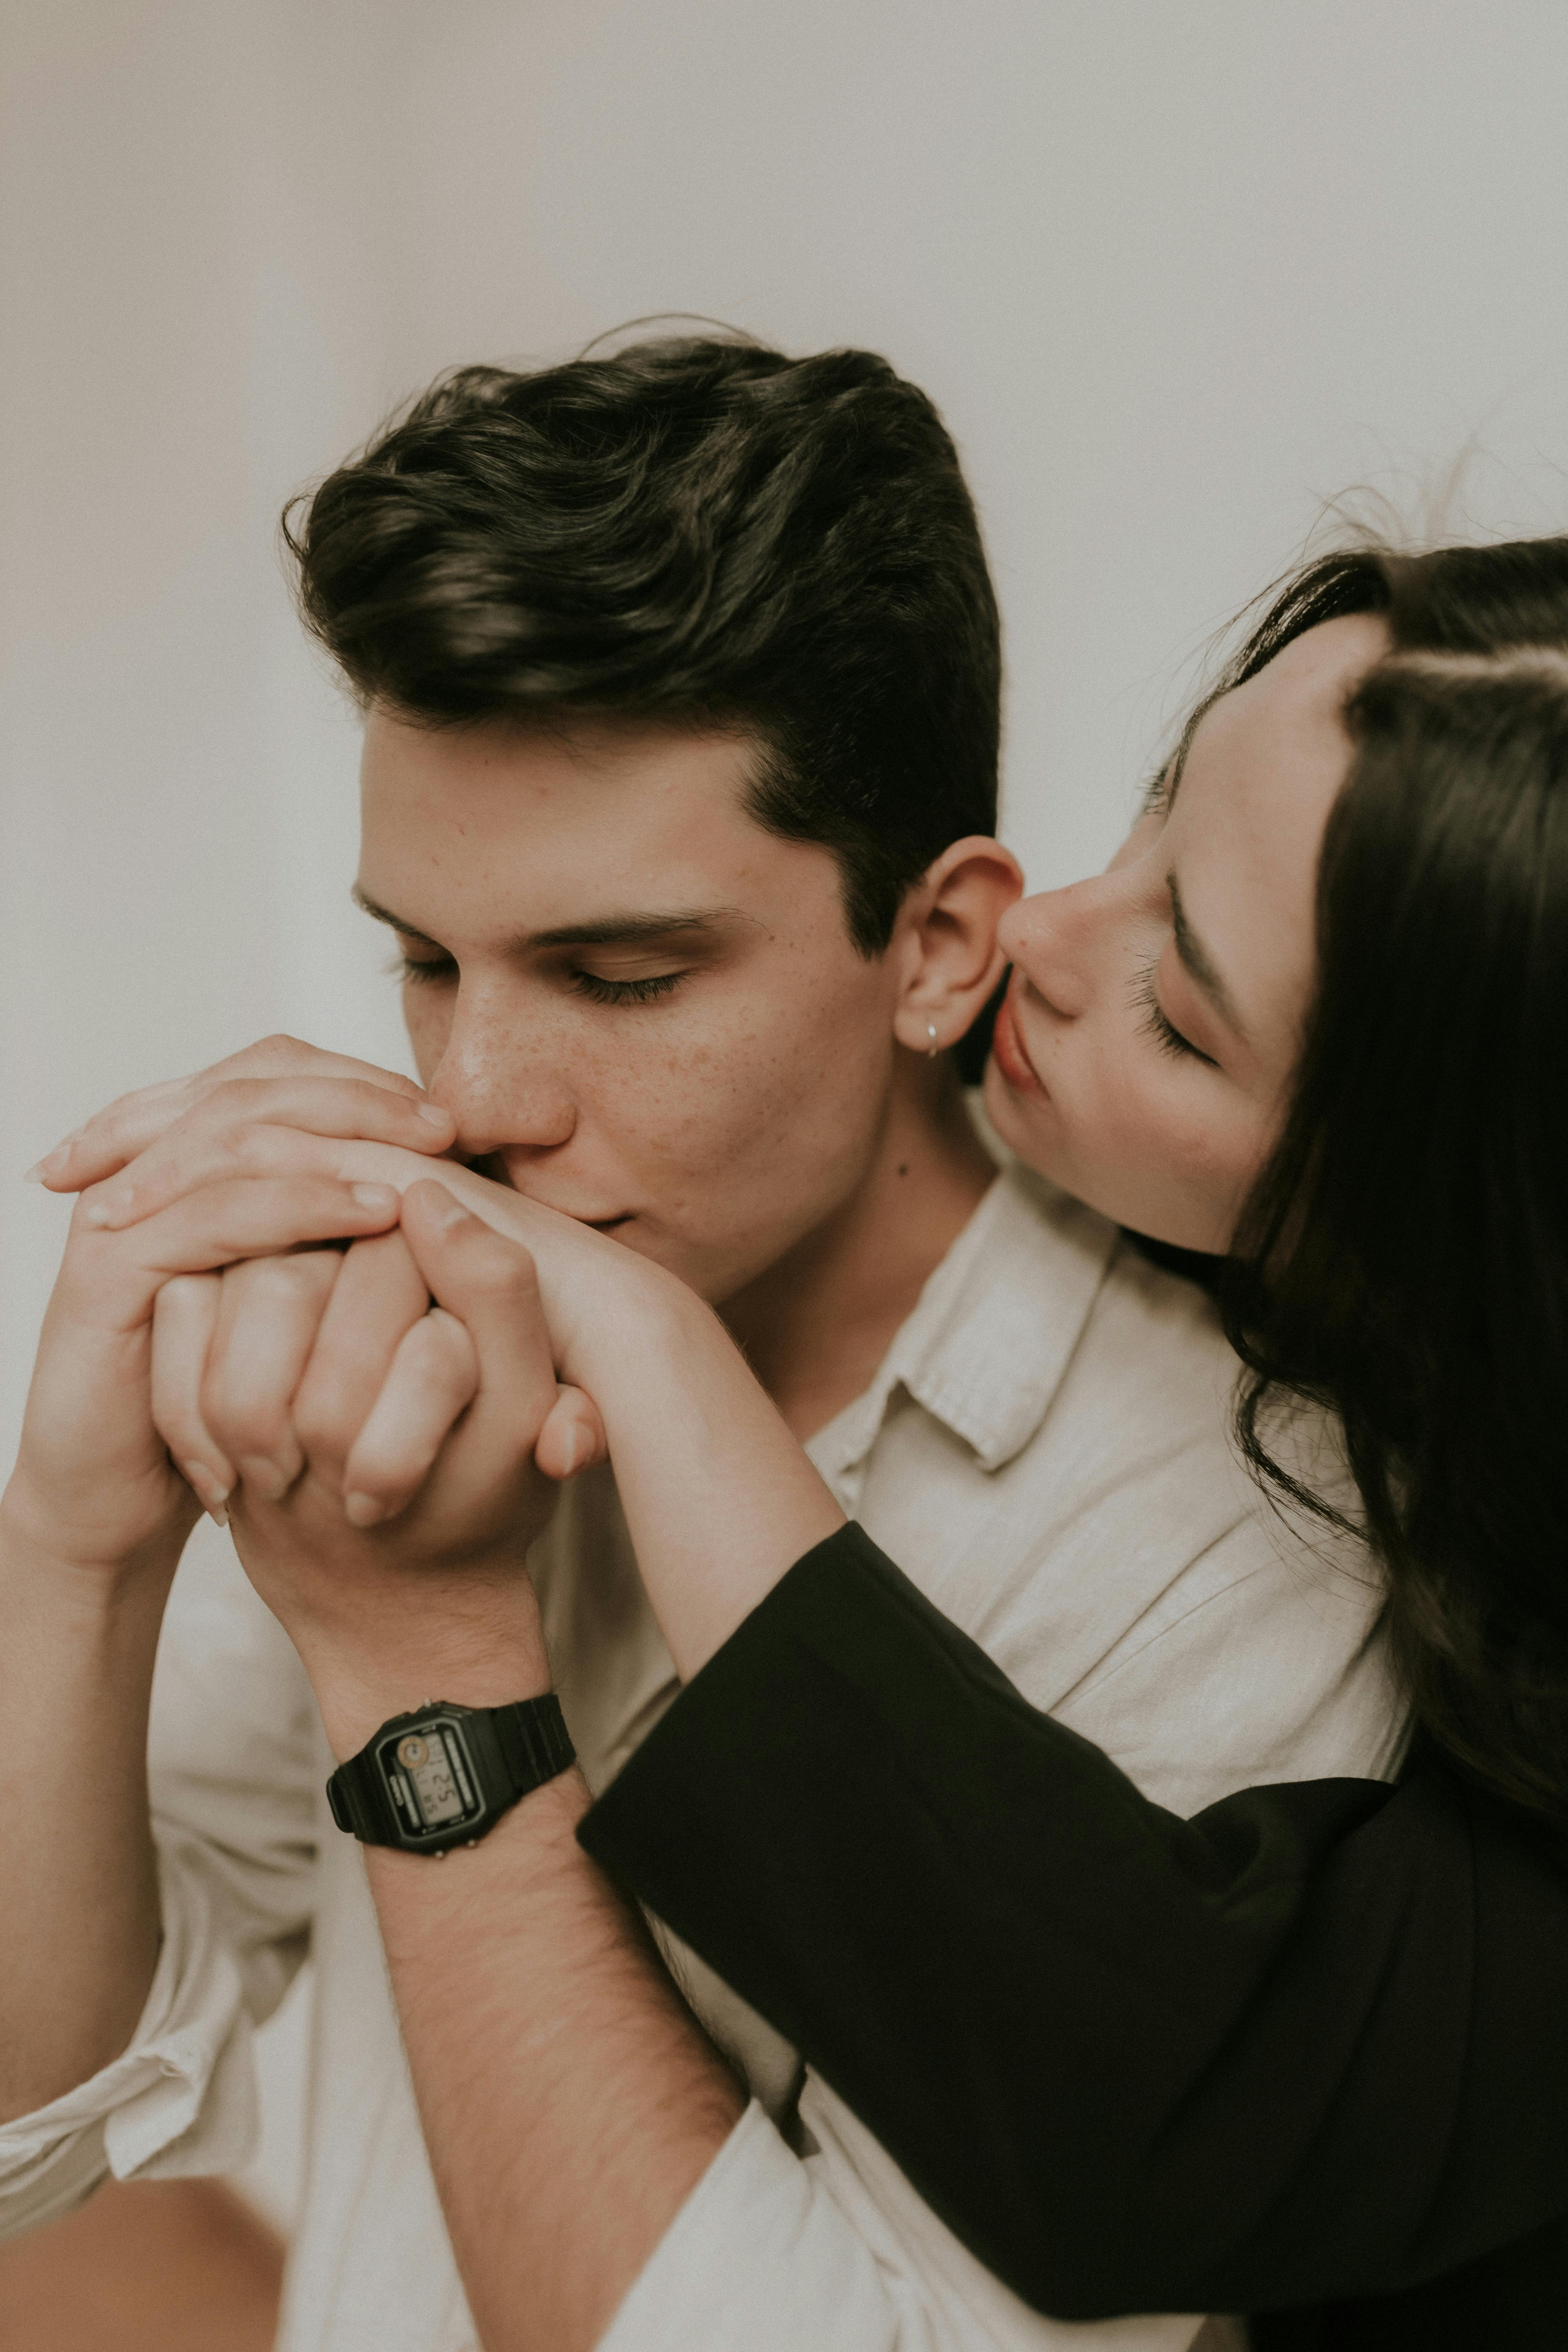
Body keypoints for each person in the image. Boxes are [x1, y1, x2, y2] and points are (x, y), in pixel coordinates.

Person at [0, 338, 1401, 2352]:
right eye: (422, 957)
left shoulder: (1242, 1520)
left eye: (621, 977)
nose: (478, 1092)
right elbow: (35, 2135)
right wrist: (69, 1545)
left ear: (935, 946)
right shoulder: (410, 1320)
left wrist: (428, 1668)